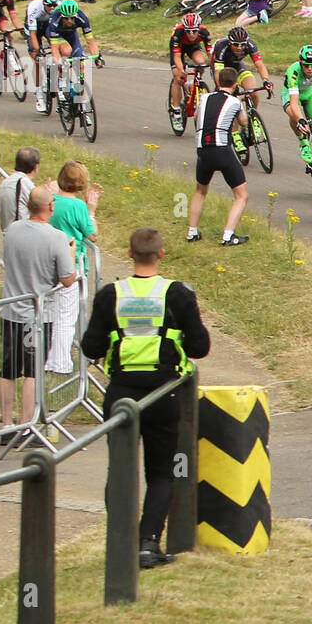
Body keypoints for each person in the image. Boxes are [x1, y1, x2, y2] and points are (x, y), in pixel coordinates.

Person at [81, 227, 211, 568]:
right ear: (161, 254)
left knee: (121, 470)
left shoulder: (111, 294)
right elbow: (201, 347)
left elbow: (90, 347)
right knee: (161, 473)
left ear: (129, 253)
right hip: (164, 394)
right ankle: (148, 544)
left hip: (121, 394)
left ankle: (120, 539)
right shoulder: (178, 294)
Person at [0, 186, 77, 445]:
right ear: (50, 207)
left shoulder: (12, 230)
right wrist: (71, 255)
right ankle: (26, 425)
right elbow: (67, 279)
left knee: (8, 369)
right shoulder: (56, 237)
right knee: (32, 371)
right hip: (39, 315)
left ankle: (6, 424)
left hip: (11, 309)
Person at [187, 68, 252, 246]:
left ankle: (192, 232)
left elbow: (195, 117)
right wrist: (240, 104)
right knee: (241, 195)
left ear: (218, 83)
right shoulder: (235, 101)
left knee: (200, 191)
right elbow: (244, 122)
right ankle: (228, 235)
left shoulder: (205, 97)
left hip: (202, 149)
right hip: (222, 149)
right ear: (235, 85)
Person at [47, 161, 101, 374]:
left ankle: (47, 355)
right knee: (66, 316)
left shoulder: (51, 201)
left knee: (49, 311)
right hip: (71, 263)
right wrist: (91, 210)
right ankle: (59, 362)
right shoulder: (77, 206)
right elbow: (92, 235)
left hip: (48, 262)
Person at [282, 44, 312, 161]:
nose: (310, 69)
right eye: (306, 65)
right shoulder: (293, 72)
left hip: (309, 92)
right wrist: (300, 119)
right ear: (301, 63)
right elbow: (293, 103)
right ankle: (304, 144)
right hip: (290, 94)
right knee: (295, 116)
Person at [168, 11, 212, 133]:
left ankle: (193, 84)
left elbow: (210, 53)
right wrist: (182, 71)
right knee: (178, 77)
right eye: (188, 31)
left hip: (193, 47)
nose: (191, 34)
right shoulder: (178, 33)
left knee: (201, 62)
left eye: (194, 31)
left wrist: (214, 64)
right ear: (184, 29)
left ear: (199, 28)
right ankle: (176, 112)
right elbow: (177, 57)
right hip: (179, 49)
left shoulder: (204, 32)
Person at [212, 24, 271, 113]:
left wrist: (266, 80)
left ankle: (252, 118)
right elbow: (218, 71)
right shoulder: (221, 46)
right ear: (229, 42)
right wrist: (221, 87)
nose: (239, 48)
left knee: (253, 92)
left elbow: (259, 64)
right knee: (232, 100)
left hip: (237, 66)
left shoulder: (251, 44)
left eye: (242, 45)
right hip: (222, 68)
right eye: (235, 44)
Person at [0, 147, 51, 231]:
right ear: (36, 167)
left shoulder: (6, 182)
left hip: (7, 232)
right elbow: (40, 205)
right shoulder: (24, 183)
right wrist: (47, 193)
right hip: (21, 232)